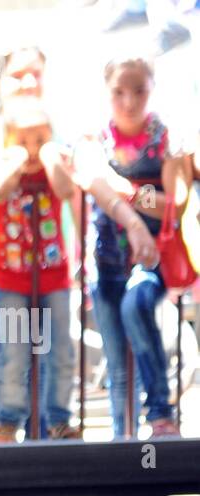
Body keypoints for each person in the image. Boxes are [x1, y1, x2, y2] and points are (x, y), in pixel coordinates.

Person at [82, 56, 188, 439]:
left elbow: (174, 201)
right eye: (119, 92)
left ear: (152, 89)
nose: (129, 101)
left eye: (138, 91)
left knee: (137, 304)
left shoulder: (166, 138)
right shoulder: (94, 138)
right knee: (118, 364)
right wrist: (142, 203)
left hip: (152, 260)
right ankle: (123, 454)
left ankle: (160, 414)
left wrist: (127, 191)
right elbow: (93, 180)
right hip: (106, 257)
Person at [0, 97, 79, 442]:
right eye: (23, 140)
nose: (32, 148)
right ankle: (9, 420)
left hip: (53, 273)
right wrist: (17, 160)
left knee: (61, 351)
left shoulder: (55, 165)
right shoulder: (2, 164)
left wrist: (51, 159)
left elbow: (67, 191)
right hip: (11, 277)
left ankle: (58, 419)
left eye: (39, 139)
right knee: (14, 351)